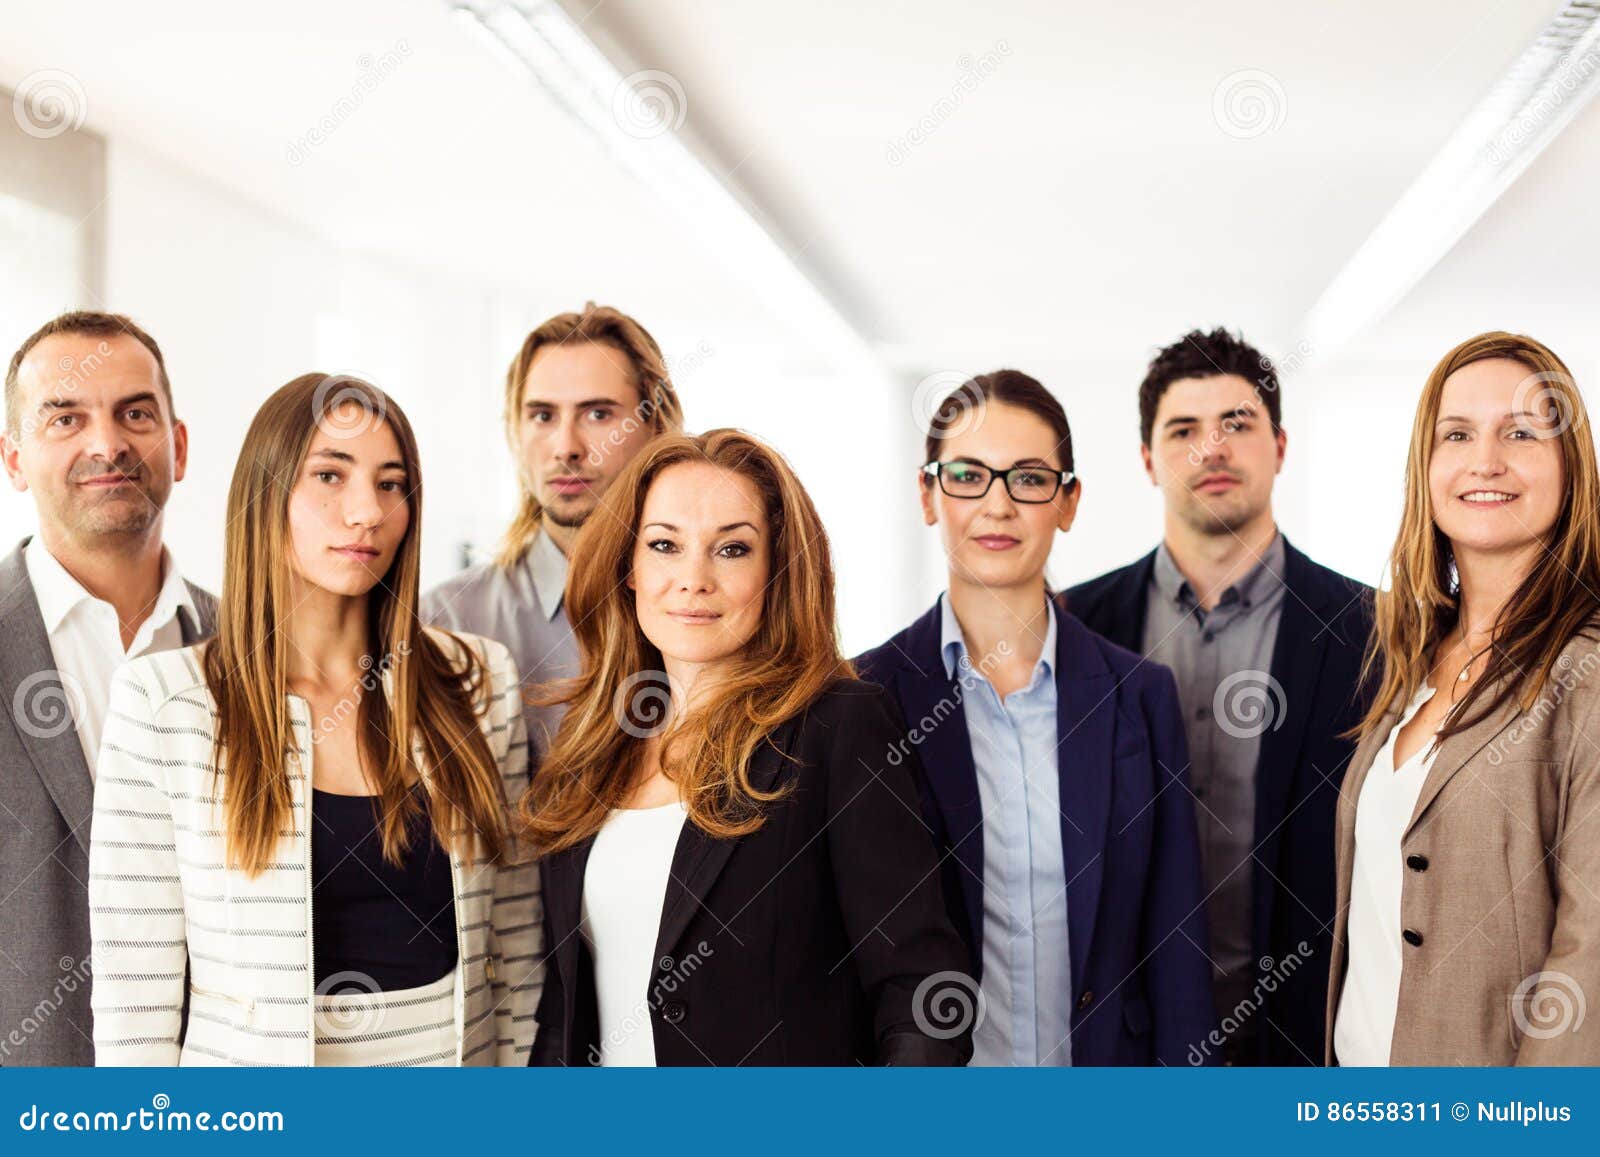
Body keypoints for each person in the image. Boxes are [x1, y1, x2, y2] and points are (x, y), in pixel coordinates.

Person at [88, 374, 539, 1066]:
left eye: (391, 484)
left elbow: (517, 942)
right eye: (330, 474)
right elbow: (135, 999)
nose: (366, 512)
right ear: (267, 494)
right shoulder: (163, 701)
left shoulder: (479, 679)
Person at [523, 428, 973, 1066]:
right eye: (664, 546)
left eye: (732, 549)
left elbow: (921, 988)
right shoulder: (592, 742)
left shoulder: (839, 726)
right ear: (628, 567)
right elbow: (564, 1009)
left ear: (778, 571)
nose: (693, 580)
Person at [855, 370, 1215, 1066]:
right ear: (928, 495)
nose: (998, 505)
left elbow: (1176, 946)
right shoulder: (864, 696)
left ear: (1068, 501)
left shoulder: (1141, 696)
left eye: (1028, 478)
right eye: (967, 476)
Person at [1065, 329, 1372, 1065]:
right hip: (1122, 1047)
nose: (1213, 449)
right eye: (1184, 431)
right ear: (1147, 460)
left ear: (1281, 445)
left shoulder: (1375, 631)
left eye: (1237, 422)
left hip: (1306, 1040)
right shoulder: (1071, 626)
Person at [1327, 331, 1600, 1066]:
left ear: (1572, 468)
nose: (1486, 460)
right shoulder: (1415, 652)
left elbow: (1591, 959)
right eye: (1458, 434)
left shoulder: (1589, 673)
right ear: (1428, 466)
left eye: (1521, 432)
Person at [0, 312, 215, 1066]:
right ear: (15, 458)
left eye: (135, 413)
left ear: (177, 446)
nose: (108, 443)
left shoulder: (254, 650)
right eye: (66, 416)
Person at [423, 304, 685, 762]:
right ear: (515, 431)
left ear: (656, 425)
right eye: (542, 416)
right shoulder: (448, 623)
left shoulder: (704, 606)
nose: (566, 447)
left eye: (599, 414)